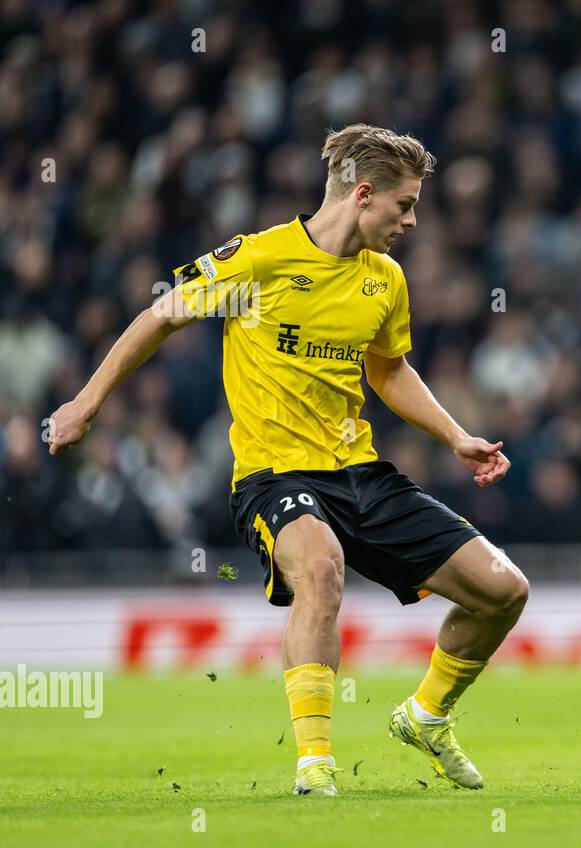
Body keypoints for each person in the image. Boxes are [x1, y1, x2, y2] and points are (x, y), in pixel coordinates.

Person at [48, 124, 528, 796]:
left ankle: (427, 715)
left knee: (504, 591)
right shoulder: (258, 261)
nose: (413, 221)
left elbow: (388, 372)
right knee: (322, 569)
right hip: (274, 475)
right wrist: (87, 401)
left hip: (359, 472)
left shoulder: (384, 280)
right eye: (405, 205)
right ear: (364, 195)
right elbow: (162, 316)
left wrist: (455, 435)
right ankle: (316, 764)